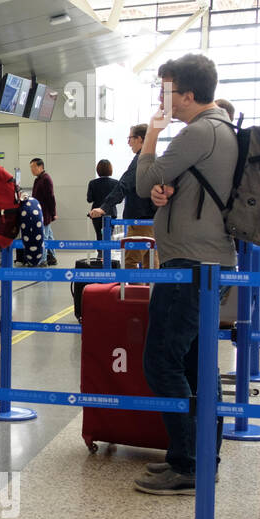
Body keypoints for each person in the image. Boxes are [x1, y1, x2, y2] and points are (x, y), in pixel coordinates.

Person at [133, 53, 238, 495]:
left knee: (161, 360)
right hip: (206, 261)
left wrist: (153, 136)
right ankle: (194, 458)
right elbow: (165, 187)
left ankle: (190, 463)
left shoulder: (199, 131)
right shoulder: (222, 130)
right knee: (195, 364)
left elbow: (142, 183)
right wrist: (168, 191)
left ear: (189, 95)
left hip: (190, 266)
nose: (163, 99)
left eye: (167, 91)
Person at [91, 124, 157, 268]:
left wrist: (104, 207)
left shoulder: (141, 159)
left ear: (139, 139)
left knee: (130, 262)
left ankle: (137, 291)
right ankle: (150, 291)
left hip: (140, 220)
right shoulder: (153, 158)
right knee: (150, 262)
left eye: (130, 138)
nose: (128, 142)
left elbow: (124, 184)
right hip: (153, 219)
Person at [30, 158, 58, 265]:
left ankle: (43, 260)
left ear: (41, 167)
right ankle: (53, 257)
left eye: (34, 167)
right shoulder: (38, 179)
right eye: (31, 167)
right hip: (40, 213)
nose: (32, 169)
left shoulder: (46, 179)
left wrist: (53, 213)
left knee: (44, 237)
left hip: (44, 213)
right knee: (49, 236)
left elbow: (51, 198)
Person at [85, 160, 120, 242]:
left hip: (96, 214)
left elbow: (89, 199)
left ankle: (100, 252)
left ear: (98, 170)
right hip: (111, 212)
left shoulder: (92, 183)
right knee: (108, 236)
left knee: (99, 235)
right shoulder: (115, 183)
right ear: (110, 170)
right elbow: (118, 200)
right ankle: (106, 252)